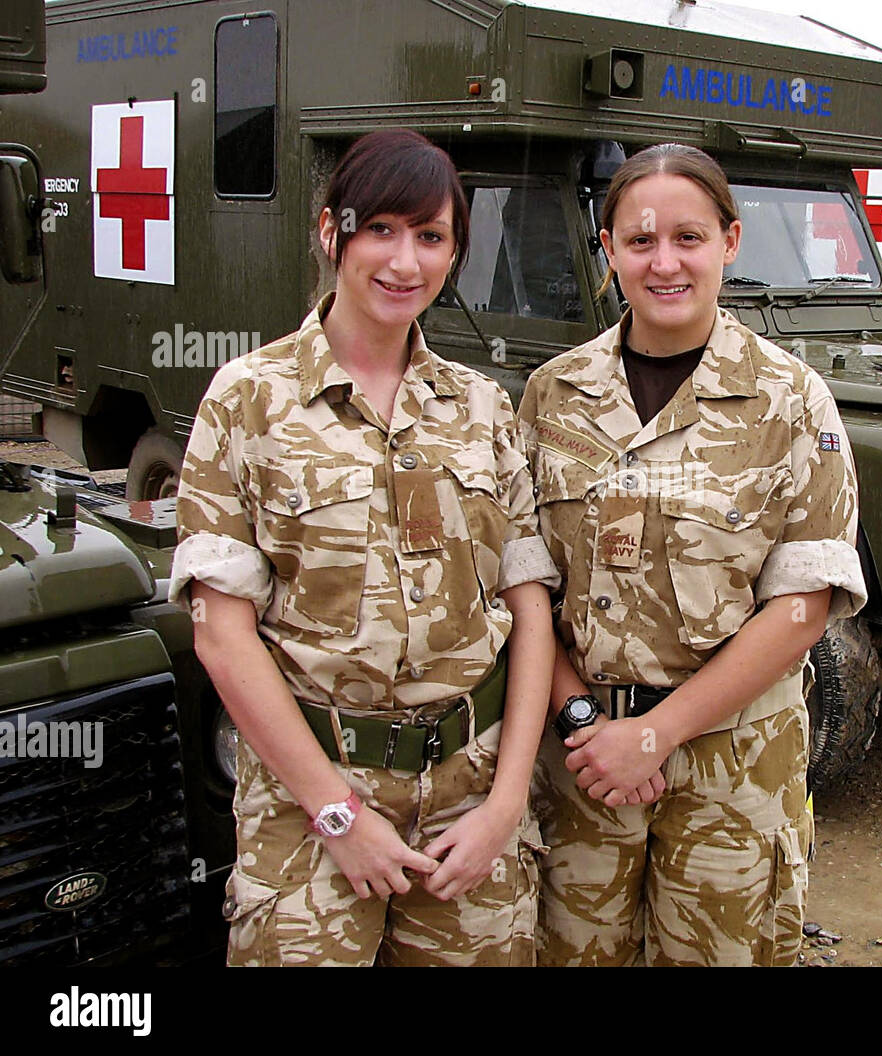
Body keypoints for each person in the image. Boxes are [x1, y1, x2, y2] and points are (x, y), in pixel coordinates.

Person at [170, 129, 558, 966]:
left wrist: (505, 803)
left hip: (471, 803)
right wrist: (336, 814)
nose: (404, 261)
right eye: (379, 228)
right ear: (329, 232)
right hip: (310, 803)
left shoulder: (484, 410)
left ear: (455, 251)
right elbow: (220, 632)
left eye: (431, 237)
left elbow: (530, 612)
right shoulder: (248, 402)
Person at [519, 142, 868, 966]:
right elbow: (526, 587)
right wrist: (583, 722)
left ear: (731, 242)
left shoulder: (790, 400)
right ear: (608, 250)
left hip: (732, 771)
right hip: (584, 764)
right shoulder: (553, 394)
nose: (664, 262)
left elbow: (802, 606)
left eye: (689, 237)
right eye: (639, 242)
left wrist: (658, 732)